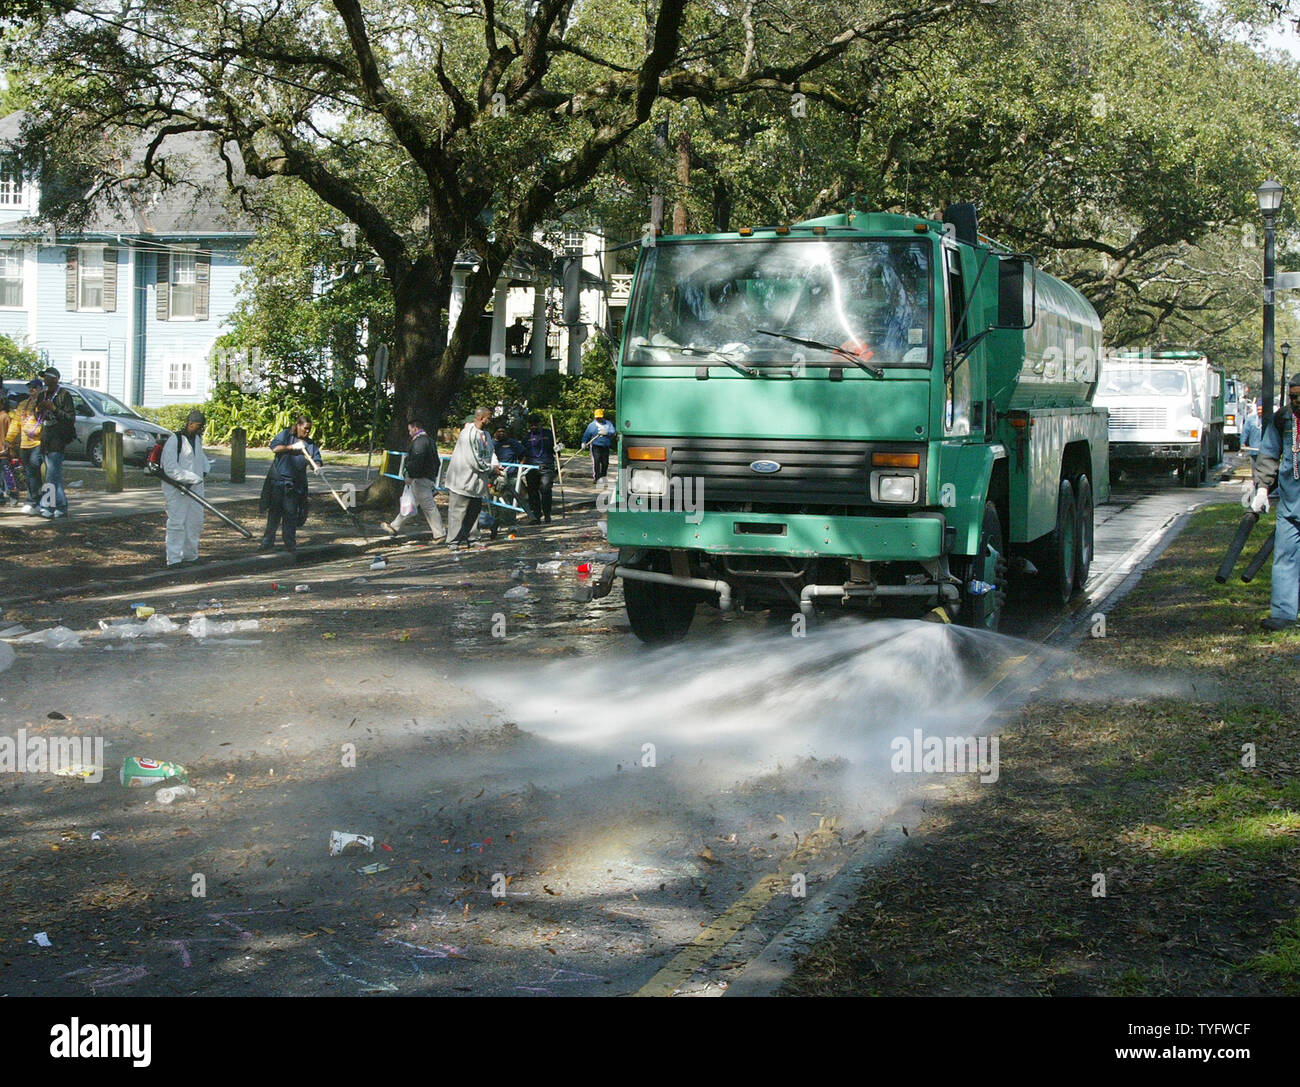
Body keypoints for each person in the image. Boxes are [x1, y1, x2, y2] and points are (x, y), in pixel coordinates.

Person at [1245, 376, 1300, 630]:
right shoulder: (1282, 419)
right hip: (1290, 505)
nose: (1295, 401)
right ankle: (1283, 614)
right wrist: (1262, 490)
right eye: (1292, 396)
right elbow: (1268, 454)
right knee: (1285, 558)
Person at [260, 414, 322, 557]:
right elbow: (274, 448)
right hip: (278, 481)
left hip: (295, 484)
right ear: (298, 426)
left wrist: (316, 466)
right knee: (274, 513)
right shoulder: (286, 435)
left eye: (309, 429)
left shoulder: (310, 444)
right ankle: (267, 543)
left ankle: (290, 545)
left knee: (290, 514)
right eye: (305, 428)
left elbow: (317, 460)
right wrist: (291, 447)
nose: (307, 431)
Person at [380, 419, 446, 543]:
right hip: (427, 477)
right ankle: (394, 526)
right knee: (411, 505)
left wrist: (411, 475)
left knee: (429, 507)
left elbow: (416, 460)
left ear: (415, 428)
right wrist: (433, 476)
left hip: (420, 478)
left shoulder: (419, 442)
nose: (409, 433)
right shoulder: (430, 441)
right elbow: (436, 461)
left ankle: (440, 534)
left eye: (410, 430)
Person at [444, 406, 501, 548]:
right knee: (458, 512)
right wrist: (490, 469)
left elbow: (490, 452)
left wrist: (496, 465)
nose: (491, 420)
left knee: (474, 512)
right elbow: (473, 459)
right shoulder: (468, 434)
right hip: (462, 480)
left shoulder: (486, 435)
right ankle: (454, 541)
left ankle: (473, 538)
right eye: (489, 417)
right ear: (481, 418)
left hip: (477, 482)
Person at [160, 410, 211, 566]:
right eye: (198, 426)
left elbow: (201, 461)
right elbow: (170, 468)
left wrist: (203, 472)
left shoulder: (197, 439)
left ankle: (190, 555)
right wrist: (189, 478)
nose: (200, 429)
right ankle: (174, 559)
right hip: (176, 488)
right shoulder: (175, 440)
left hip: (195, 487)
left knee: (194, 521)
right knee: (177, 522)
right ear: (190, 424)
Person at [36, 367, 75, 519]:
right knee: (55, 475)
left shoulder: (64, 395)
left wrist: (54, 408)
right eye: (44, 377)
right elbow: (37, 414)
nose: (45, 380)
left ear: (55, 379)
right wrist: (39, 409)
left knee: (51, 476)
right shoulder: (42, 395)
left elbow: (70, 418)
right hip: (46, 437)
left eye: (47, 377)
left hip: (58, 438)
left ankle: (48, 506)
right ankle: (62, 506)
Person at [6, 379, 44, 513]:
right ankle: (33, 499)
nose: (32, 391)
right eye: (30, 388)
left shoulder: (41, 404)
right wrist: (8, 439)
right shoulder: (23, 404)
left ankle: (34, 501)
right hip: (24, 444)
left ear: (40, 389)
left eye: (34, 388)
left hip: (37, 444)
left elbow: (44, 421)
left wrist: (37, 432)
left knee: (34, 472)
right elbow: (16, 424)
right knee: (27, 473)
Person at [523, 414, 557, 523]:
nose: (533, 427)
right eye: (531, 425)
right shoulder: (526, 437)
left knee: (546, 489)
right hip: (531, 467)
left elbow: (556, 450)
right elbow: (522, 453)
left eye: (535, 424)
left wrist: (558, 448)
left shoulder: (548, 434)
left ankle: (547, 514)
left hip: (546, 466)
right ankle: (536, 515)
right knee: (533, 492)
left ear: (540, 424)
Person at [580, 408, 616, 483]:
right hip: (595, 446)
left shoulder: (608, 424)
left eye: (600, 417)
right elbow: (586, 435)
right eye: (597, 417)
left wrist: (607, 432)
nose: (599, 419)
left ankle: (603, 477)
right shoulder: (592, 426)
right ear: (595, 417)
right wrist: (584, 442)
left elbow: (613, 431)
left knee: (605, 463)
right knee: (596, 462)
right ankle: (596, 478)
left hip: (605, 446)